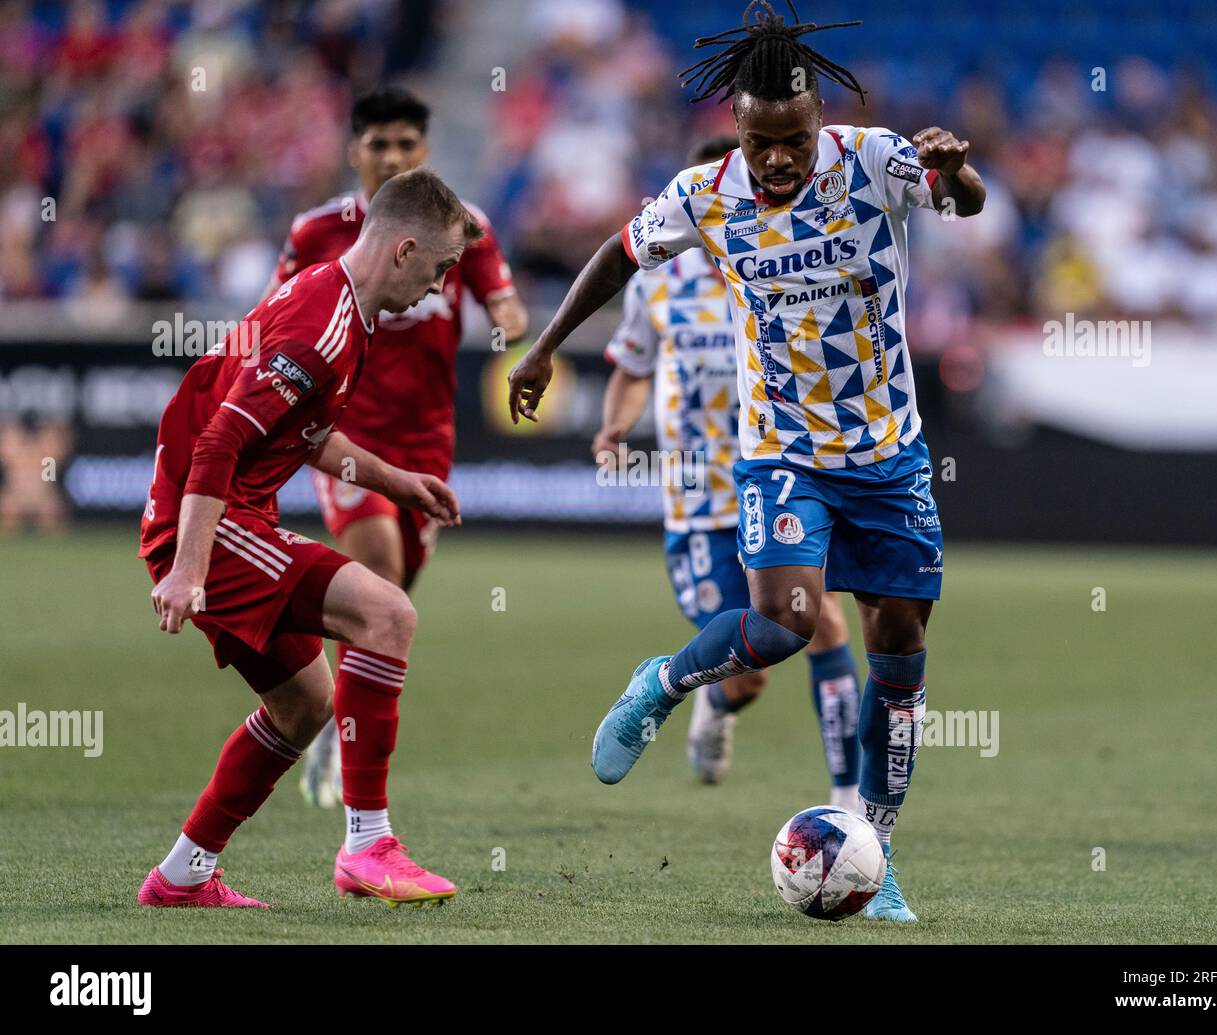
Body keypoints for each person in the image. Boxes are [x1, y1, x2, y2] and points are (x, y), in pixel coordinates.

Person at [507, 1, 984, 922]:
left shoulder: (876, 161)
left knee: (901, 650)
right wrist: (546, 346)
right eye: (762, 140)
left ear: (818, 123)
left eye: (795, 138)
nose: (779, 158)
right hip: (782, 449)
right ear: (737, 125)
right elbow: (618, 254)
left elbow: (965, 202)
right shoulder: (705, 195)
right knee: (786, 621)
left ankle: (876, 853)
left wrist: (959, 179)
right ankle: (661, 684)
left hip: (890, 452)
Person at [139, 169, 479, 908]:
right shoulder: (326, 323)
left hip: (225, 514)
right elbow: (221, 440)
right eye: (442, 267)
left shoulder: (343, 307)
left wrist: (398, 481)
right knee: (387, 613)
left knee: (304, 707)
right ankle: (368, 843)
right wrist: (188, 569)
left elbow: (312, 434)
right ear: (405, 248)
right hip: (212, 519)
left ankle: (181, 875)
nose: (442, 286)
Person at [268, 87, 527, 807]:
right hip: (345, 434)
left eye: (405, 144)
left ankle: (329, 716)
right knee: (377, 566)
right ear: (353, 151)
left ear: (425, 151)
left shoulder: (462, 225)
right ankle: (351, 766)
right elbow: (272, 311)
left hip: (427, 441)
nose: (391, 157)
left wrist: (512, 324)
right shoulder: (317, 229)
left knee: (392, 591)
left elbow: (501, 298)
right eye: (378, 144)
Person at [595, 133, 863, 800]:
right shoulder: (659, 278)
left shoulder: (792, 263)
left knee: (823, 621)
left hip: (781, 478)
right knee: (746, 671)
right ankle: (713, 702)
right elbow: (633, 366)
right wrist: (614, 425)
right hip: (698, 496)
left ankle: (850, 806)